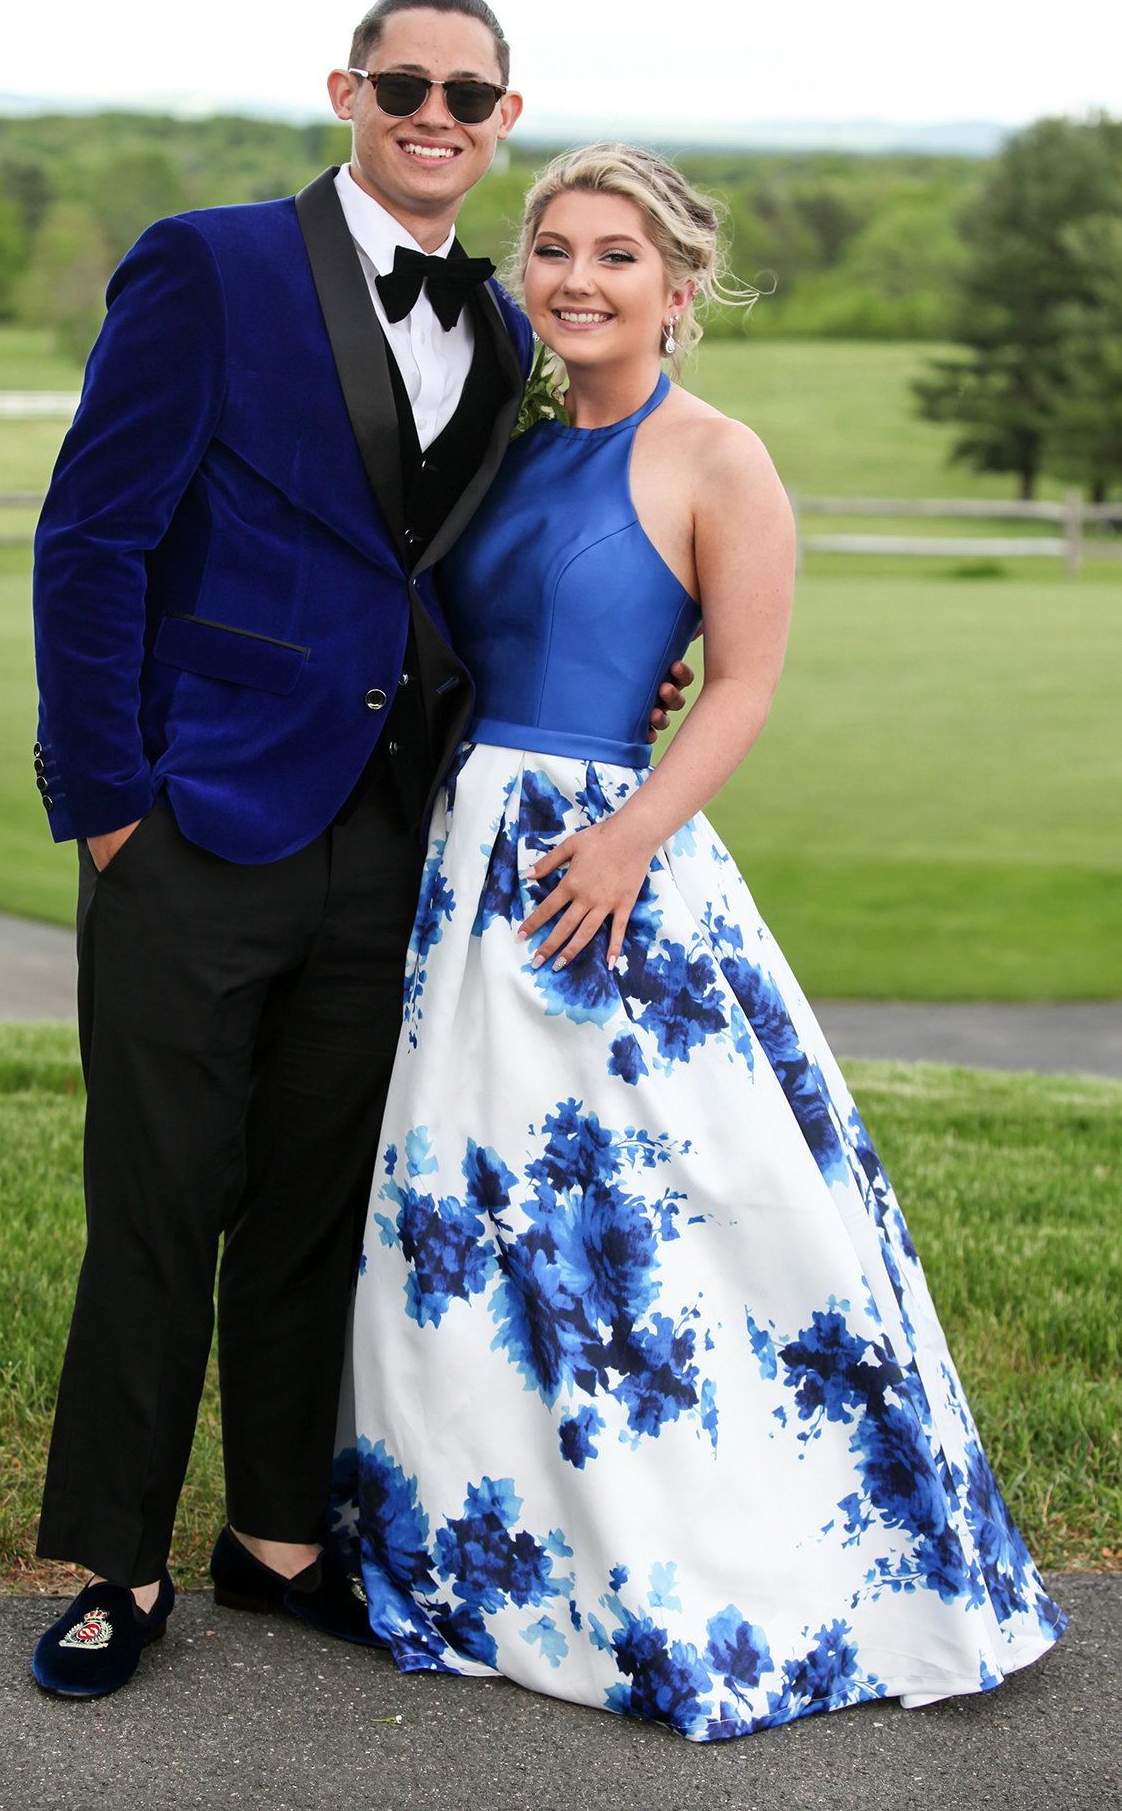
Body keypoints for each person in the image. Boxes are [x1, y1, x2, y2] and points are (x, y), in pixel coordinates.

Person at [27, 0, 694, 1699]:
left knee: (319, 1208)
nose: (434, 113)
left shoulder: (495, 324)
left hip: (390, 839)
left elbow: (455, 566)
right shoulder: (209, 263)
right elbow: (92, 542)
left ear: (499, 117)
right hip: (191, 830)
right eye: (403, 82)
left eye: (467, 95)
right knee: (159, 1206)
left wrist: (624, 644)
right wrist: (107, 810)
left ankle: (276, 1543)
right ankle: (117, 1564)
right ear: (347, 89)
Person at [349, 143, 1066, 1740]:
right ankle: (490, 1535)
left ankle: (709, 1545)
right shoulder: (504, 446)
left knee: (661, 1216)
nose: (576, 279)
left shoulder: (719, 458)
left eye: (616, 255)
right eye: (551, 250)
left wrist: (623, 836)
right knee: (469, 1203)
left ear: (679, 290)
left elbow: (737, 678)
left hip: (613, 868)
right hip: (462, 860)